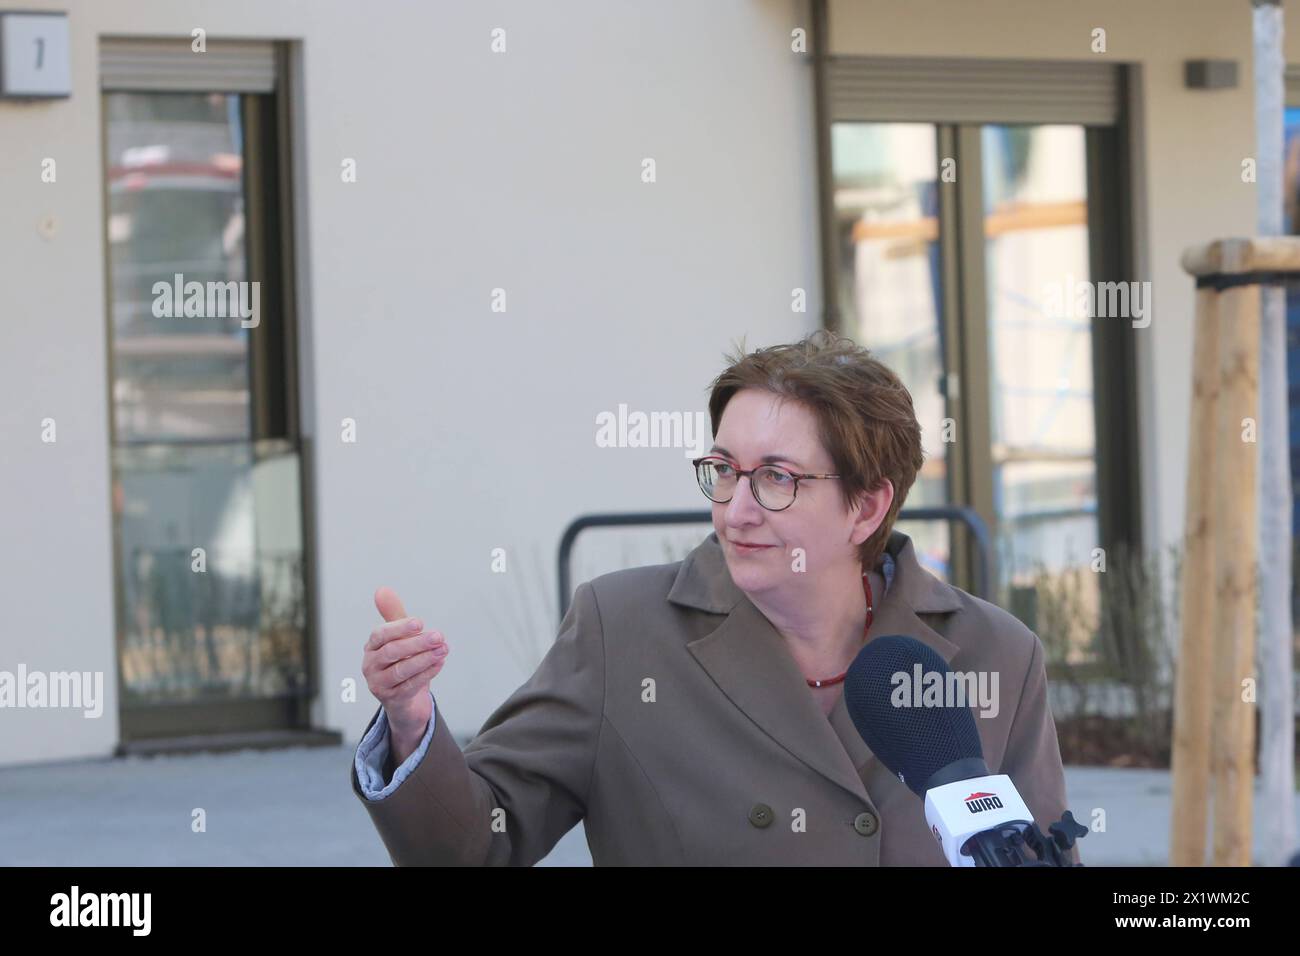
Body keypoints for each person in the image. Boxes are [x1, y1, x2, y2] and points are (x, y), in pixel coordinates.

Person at [351, 330, 1076, 865]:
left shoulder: (998, 654)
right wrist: (413, 725)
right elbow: (477, 844)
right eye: (724, 470)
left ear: (866, 506)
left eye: (777, 478)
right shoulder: (623, 630)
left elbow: (1046, 853)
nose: (737, 508)